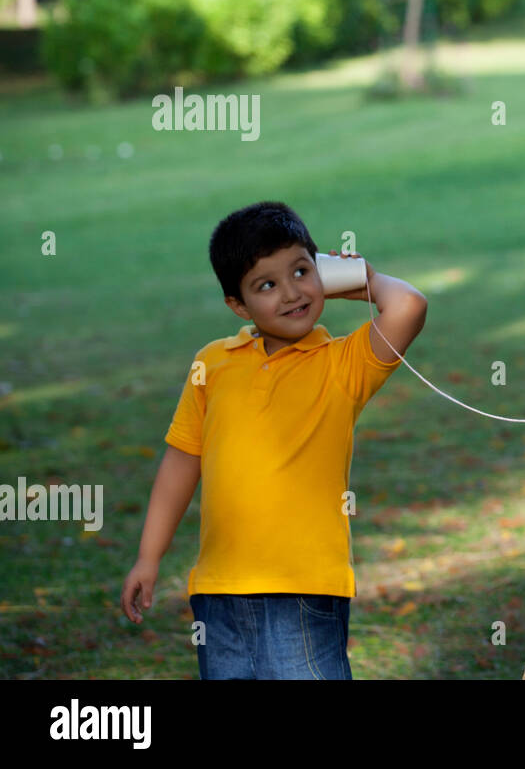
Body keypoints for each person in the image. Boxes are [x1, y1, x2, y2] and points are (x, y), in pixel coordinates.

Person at [119, 201, 427, 678]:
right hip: (218, 593)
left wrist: (360, 278)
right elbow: (182, 461)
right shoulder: (213, 364)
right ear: (237, 305)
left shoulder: (341, 365)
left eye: (301, 272)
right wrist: (148, 556)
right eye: (266, 284)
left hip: (302, 593)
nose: (290, 293)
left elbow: (409, 305)